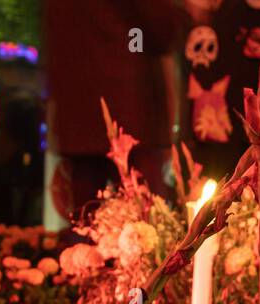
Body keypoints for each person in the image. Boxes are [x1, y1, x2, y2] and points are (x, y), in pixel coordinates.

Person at [44, 0, 190, 224]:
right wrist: (187, 11)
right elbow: (163, 29)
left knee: (85, 227)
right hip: (129, 114)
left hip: (76, 113)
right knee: (143, 230)